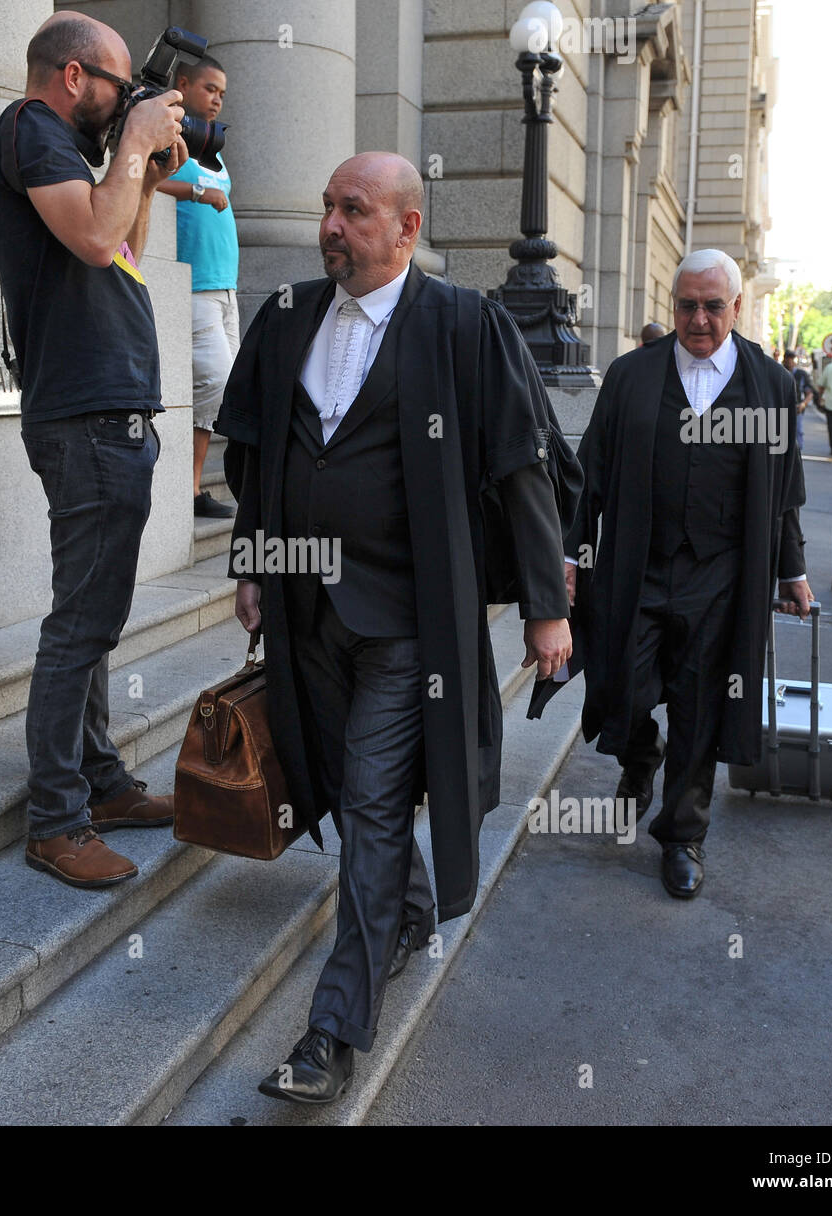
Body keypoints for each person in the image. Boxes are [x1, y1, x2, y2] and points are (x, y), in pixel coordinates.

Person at [216, 152, 576, 1103]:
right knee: (335, 783)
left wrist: (547, 607)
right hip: (304, 610)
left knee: (373, 803)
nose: (332, 225)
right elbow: (256, 453)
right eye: (328, 207)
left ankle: (332, 1031)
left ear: (408, 228)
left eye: (355, 211)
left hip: (409, 625)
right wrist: (252, 561)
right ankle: (407, 910)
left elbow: (520, 470)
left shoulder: (462, 325)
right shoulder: (289, 316)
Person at [532, 249, 813, 900]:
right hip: (636, 569)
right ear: (673, 306)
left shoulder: (769, 385)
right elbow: (589, 477)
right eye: (687, 305)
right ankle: (639, 753)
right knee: (622, 690)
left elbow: (785, 495)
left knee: (701, 708)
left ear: (736, 308)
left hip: (722, 577)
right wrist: (569, 559)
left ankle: (682, 834)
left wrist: (791, 572)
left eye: (714, 306)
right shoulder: (632, 378)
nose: (699, 318)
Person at [0, 11, 185, 889]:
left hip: (110, 411)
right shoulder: (30, 128)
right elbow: (96, 238)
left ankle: (98, 780)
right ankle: (56, 818)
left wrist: (145, 163)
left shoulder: (69, 150)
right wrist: (133, 140)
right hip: (86, 416)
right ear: (72, 77)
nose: (122, 102)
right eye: (114, 87)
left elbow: (123, 245)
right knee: (81, 625)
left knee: (94, 613)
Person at [156, 54, 239, 519]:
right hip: (190, 284)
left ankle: (190, 489)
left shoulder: (212, 145)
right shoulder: (163, 131)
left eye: (222, 93)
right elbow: (133, 179)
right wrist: (195, 192)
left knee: (218, 391)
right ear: (182, 84)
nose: (217, 99)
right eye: (210, 88)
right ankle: (174, 485)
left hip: (223, 285)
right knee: (215, 377)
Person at [783, 349, 814, 451]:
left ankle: (797, 453)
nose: (789, 363)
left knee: (797, 431)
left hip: (797, 407)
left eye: (791, 360)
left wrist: (803, 404)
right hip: (781, 408)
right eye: (787, 360)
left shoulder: (801, 374)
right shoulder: (779, 372)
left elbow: (809, 393)